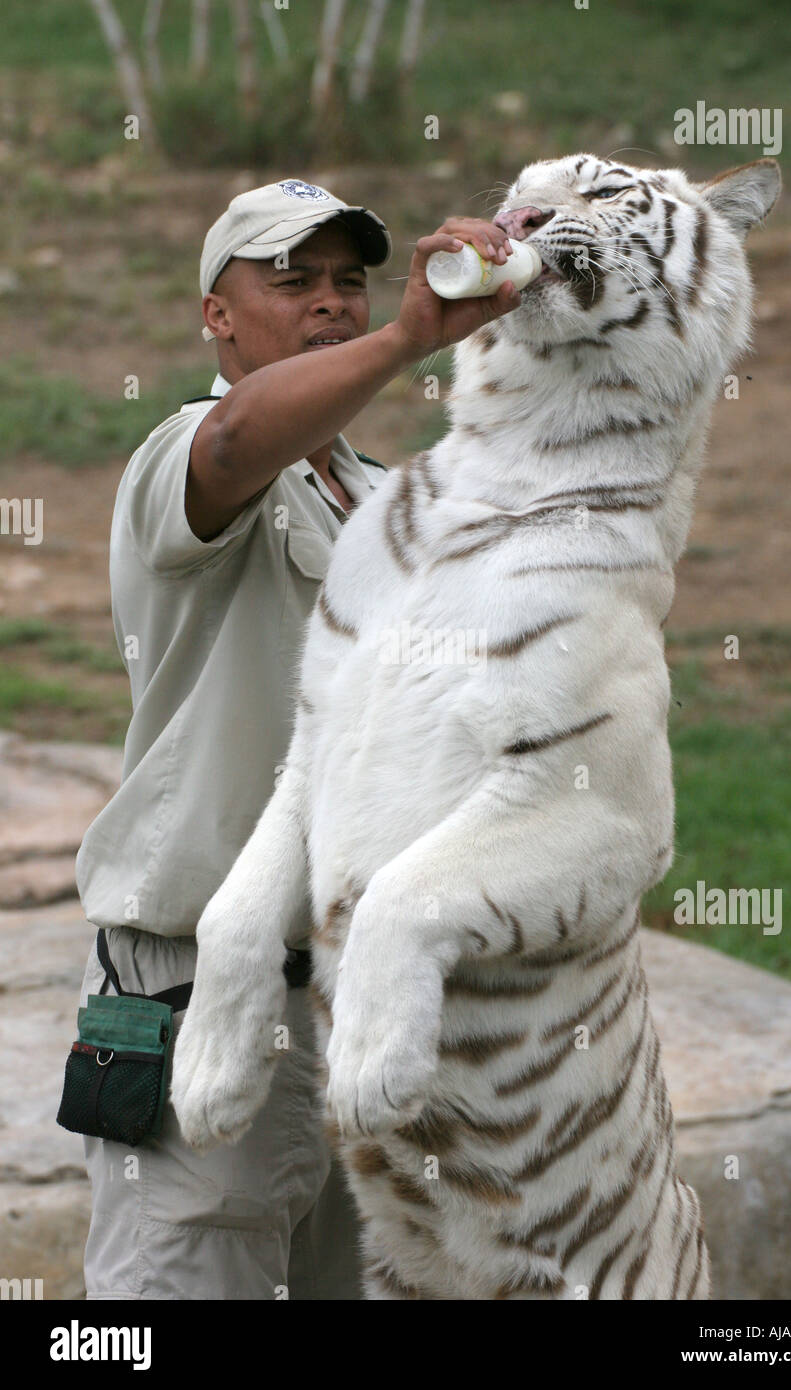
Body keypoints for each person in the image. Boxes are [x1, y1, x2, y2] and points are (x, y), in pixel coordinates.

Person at [73, 177, 519, 1300]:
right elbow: (236, 439)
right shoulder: (187, 453)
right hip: (197, 1002)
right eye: (292, 281)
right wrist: (415, 337)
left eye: (348, 282)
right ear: (217, 314)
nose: (331, 301)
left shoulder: (379, 494)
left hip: (358, 1006)